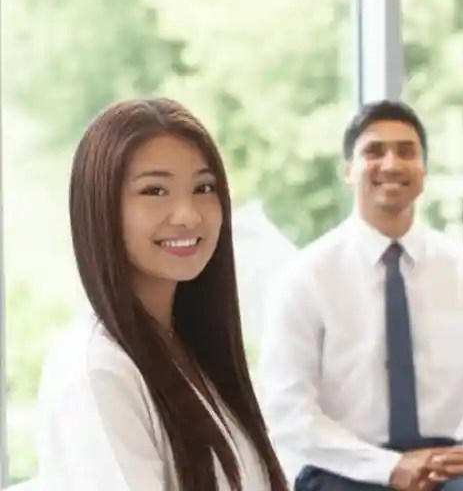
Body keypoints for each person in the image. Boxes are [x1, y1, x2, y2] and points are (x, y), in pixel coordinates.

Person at [35, 98, 288, 490]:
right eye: (155, 191)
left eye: (204, 187)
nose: (188, 213)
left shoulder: (188, 345)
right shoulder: (99, 372)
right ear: (101, 207)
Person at [258, 100, 463, 491]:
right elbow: (289, 412)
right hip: (346, 467)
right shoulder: (306, 276)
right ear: (348, 170)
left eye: (406, 152)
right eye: (374, 152)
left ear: (423, 170)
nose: (391, 164)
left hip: (451, 464)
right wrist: (388, 468)